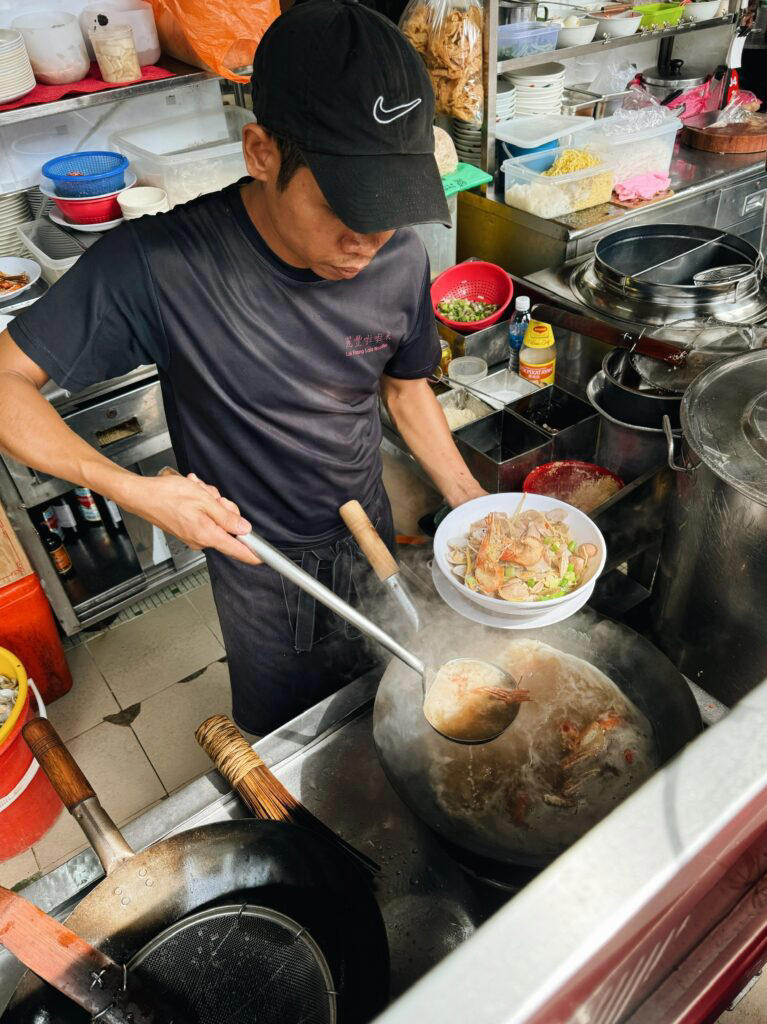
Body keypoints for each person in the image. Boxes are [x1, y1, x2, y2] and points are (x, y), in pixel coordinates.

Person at [0, 0, 486, 735]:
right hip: (261, 568)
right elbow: (5, 383)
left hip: (369, 538)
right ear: (261, 152)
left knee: (393, 709)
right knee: (291, 733)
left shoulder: (397, 256)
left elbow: (404, 384)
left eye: (389, 207)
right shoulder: (162, 264)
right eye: (344, 205)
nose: (367, 240)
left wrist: (469, 506)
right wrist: (132, 489)